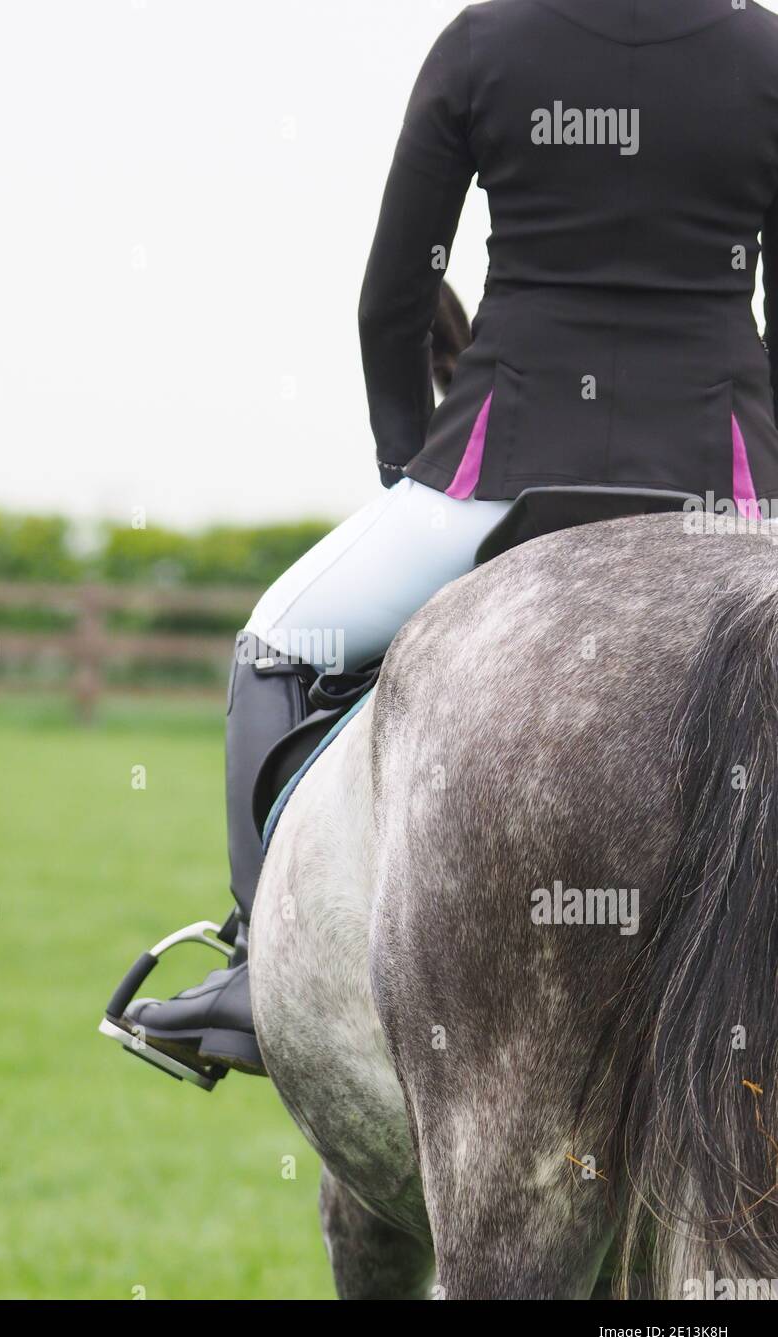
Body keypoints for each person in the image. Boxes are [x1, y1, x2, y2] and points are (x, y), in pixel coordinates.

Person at [105, 0, 778, 1082]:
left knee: (277, 643)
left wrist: (405, 466)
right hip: (731, 490)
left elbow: (393, 300)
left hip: (496, 472)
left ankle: (246, 964)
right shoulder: (765, 55)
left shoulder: (487, 43)